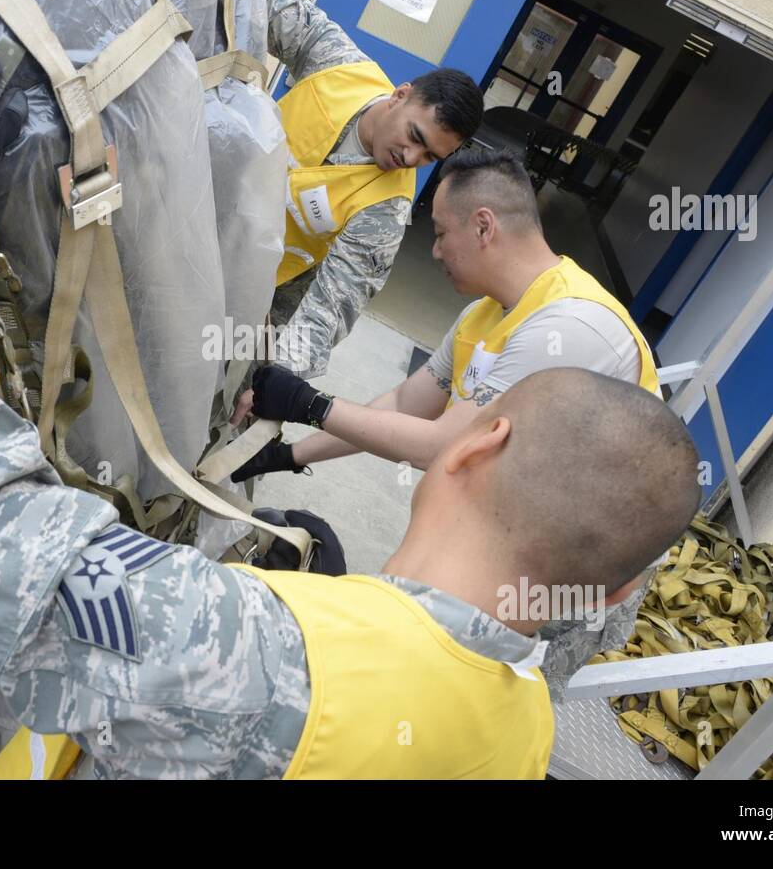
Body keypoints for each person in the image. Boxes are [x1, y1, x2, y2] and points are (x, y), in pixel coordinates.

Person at [0, 49, 702, 778]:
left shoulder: (261, 653)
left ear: (480, 447)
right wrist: (285, 453)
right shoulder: (522, 739)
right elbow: (401, 411)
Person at [232, 146, 668, 695]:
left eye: (440, 233)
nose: (434, 250)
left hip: (578, 566)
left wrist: (308, 403)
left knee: (490, 694)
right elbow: (403, 408)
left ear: (483, 226)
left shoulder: (572, 327)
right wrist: (289, 453)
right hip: (517, 520)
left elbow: (438, 447)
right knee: (428, 672)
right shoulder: (485, 313)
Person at [245, 0, 482, 389]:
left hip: (254, 293)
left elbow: (330, 308)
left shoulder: (386, 211)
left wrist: (273, 381)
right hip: (200, 216)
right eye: (415, 137)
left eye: (429, 158)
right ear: (401, 95)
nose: (411, 158)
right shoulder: (338, 67)